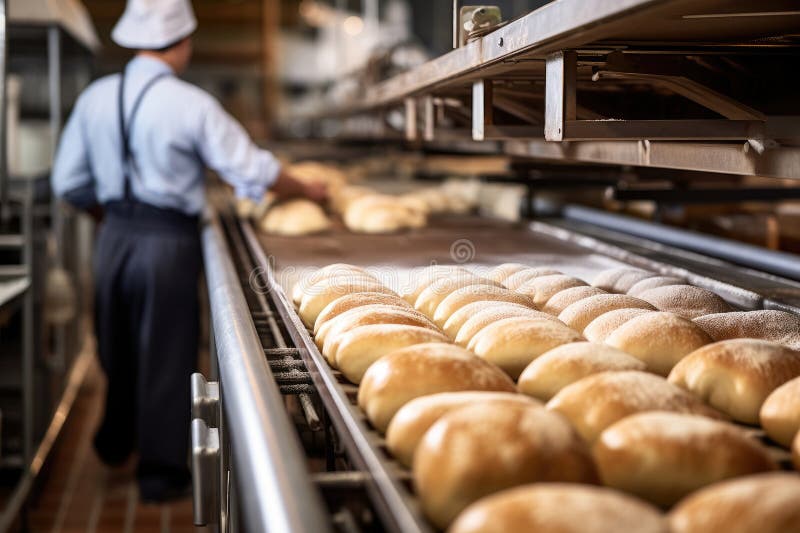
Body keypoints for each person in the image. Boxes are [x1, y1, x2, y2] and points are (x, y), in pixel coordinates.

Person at [51, 0, 324, 502]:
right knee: (167, 352)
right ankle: (159, 473)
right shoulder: (190, 103)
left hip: (113, 237)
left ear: (136, 41)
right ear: (181, 44)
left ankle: (116, 439)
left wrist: (110, 220)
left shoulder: (96, 97)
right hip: (169, 242)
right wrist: (308, 189)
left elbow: (67, 182)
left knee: (115, 339)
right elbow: (253, 170)